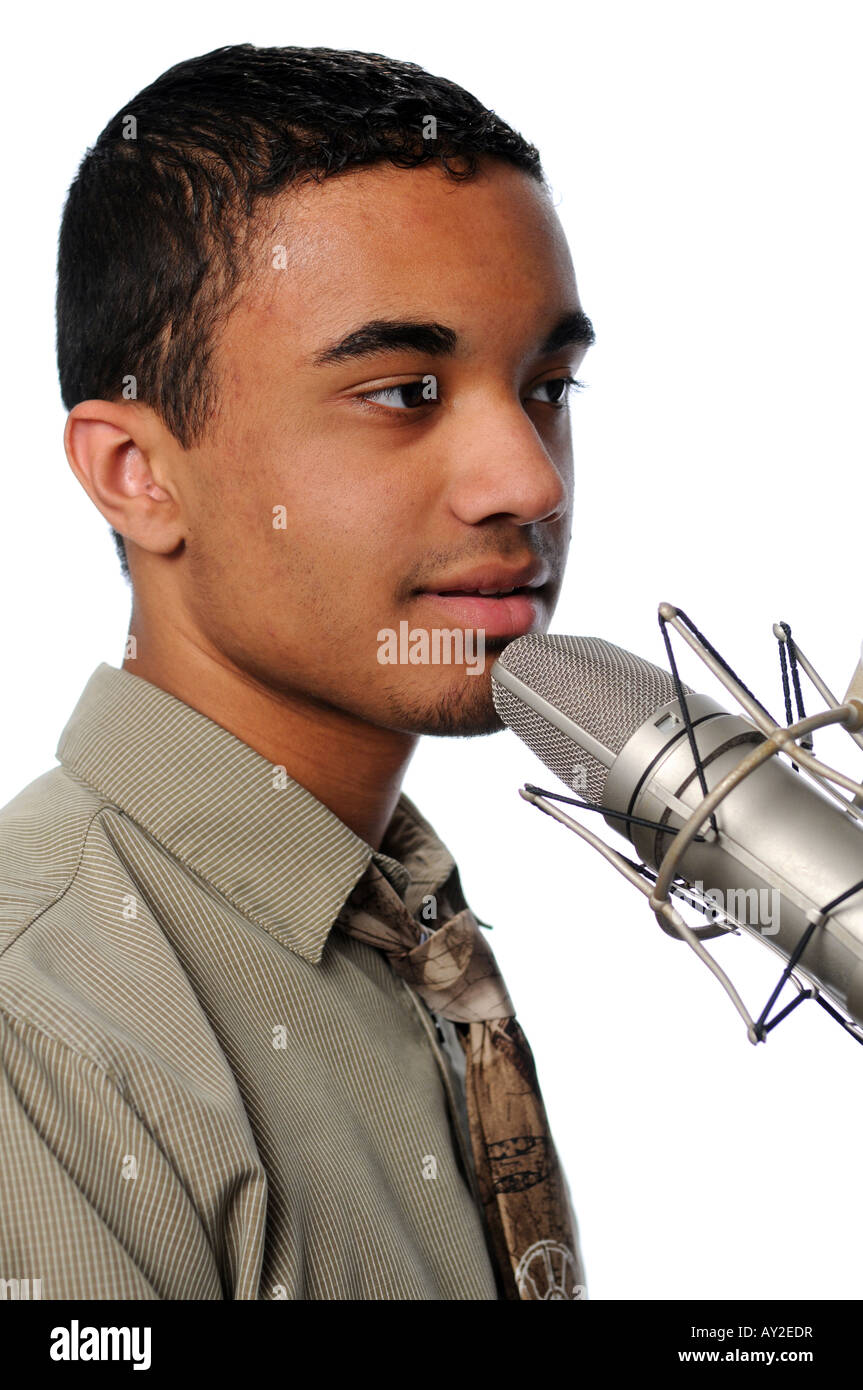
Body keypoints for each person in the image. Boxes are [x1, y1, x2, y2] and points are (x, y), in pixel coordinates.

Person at [0, 43, 594, 1300]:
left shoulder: (393, 918)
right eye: (402, 392)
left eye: (546, 386)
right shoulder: (40, 1030)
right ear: (136, 474)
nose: (529, 483)